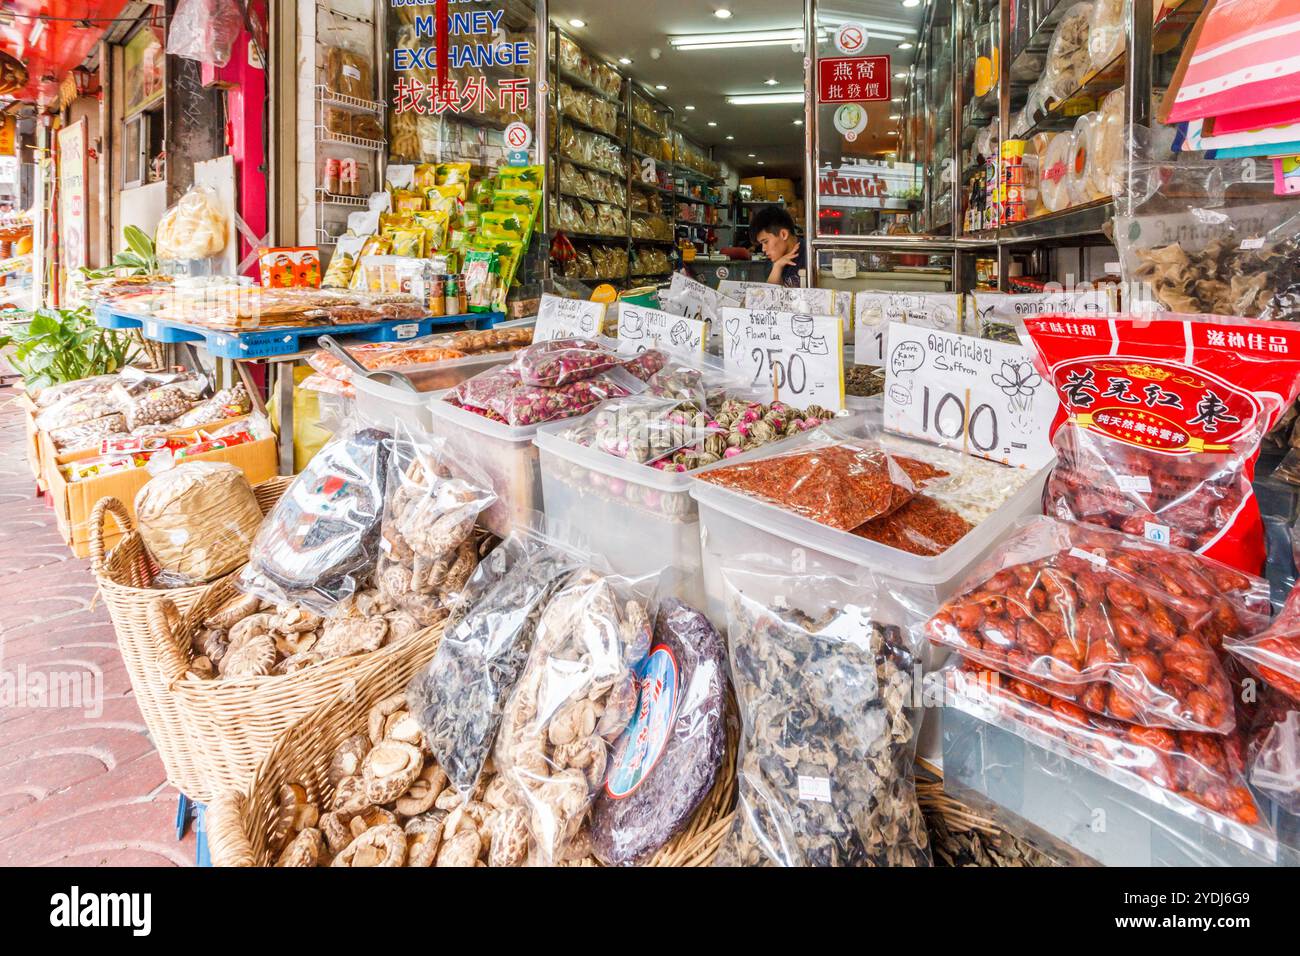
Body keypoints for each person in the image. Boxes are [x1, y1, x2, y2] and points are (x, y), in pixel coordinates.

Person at [751, 205, 804, 287]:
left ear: (783, 234)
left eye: (766, 242)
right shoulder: (772, 262)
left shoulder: (810, 255)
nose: (763, 249)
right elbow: (769, 295)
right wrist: (777, 267)